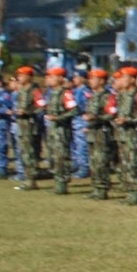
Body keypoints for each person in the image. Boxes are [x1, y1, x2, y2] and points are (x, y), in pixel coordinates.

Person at [42, 66, 77, 194]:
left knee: (61, 157)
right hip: (52, 129)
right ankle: (57, 182)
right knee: (53, 156)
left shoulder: (66, 93)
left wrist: (59, 118)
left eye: (52, 77)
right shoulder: (52, 92)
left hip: (61, 130)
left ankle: (62, 184)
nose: (49, 79)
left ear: (60, 78)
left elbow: (74, 110)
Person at [113, 67, 137, 204]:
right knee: (125, 163)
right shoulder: (122, 95)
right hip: (122, 134)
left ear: (132, 79)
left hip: (133, 134)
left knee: (133, 164)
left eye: (123, 78)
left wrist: (129, 120)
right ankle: (129, 190)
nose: (121, 80)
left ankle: (135, 193)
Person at [83, 68, 115, 200]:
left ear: (101, 81)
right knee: (93, 162)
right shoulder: (93, 95)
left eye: (93, 79)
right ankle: (96, 187)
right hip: (92, 132)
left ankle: (102, 189)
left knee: (101, 161)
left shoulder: (107, 96)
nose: (90, 81)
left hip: (102, 132)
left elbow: (111, 114)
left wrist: (96, 118)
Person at [13, 67, 42, 189]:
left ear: (28, 77)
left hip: (29, 125)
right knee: (23, 152)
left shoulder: (34, 90)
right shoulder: (22, 90)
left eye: (21, 75)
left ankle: (31, 179)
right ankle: (27, 178)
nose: (19, 78)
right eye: (18, 75)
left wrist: (28, 112)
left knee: (29, 152)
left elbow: (41, 106)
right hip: (21, 125)